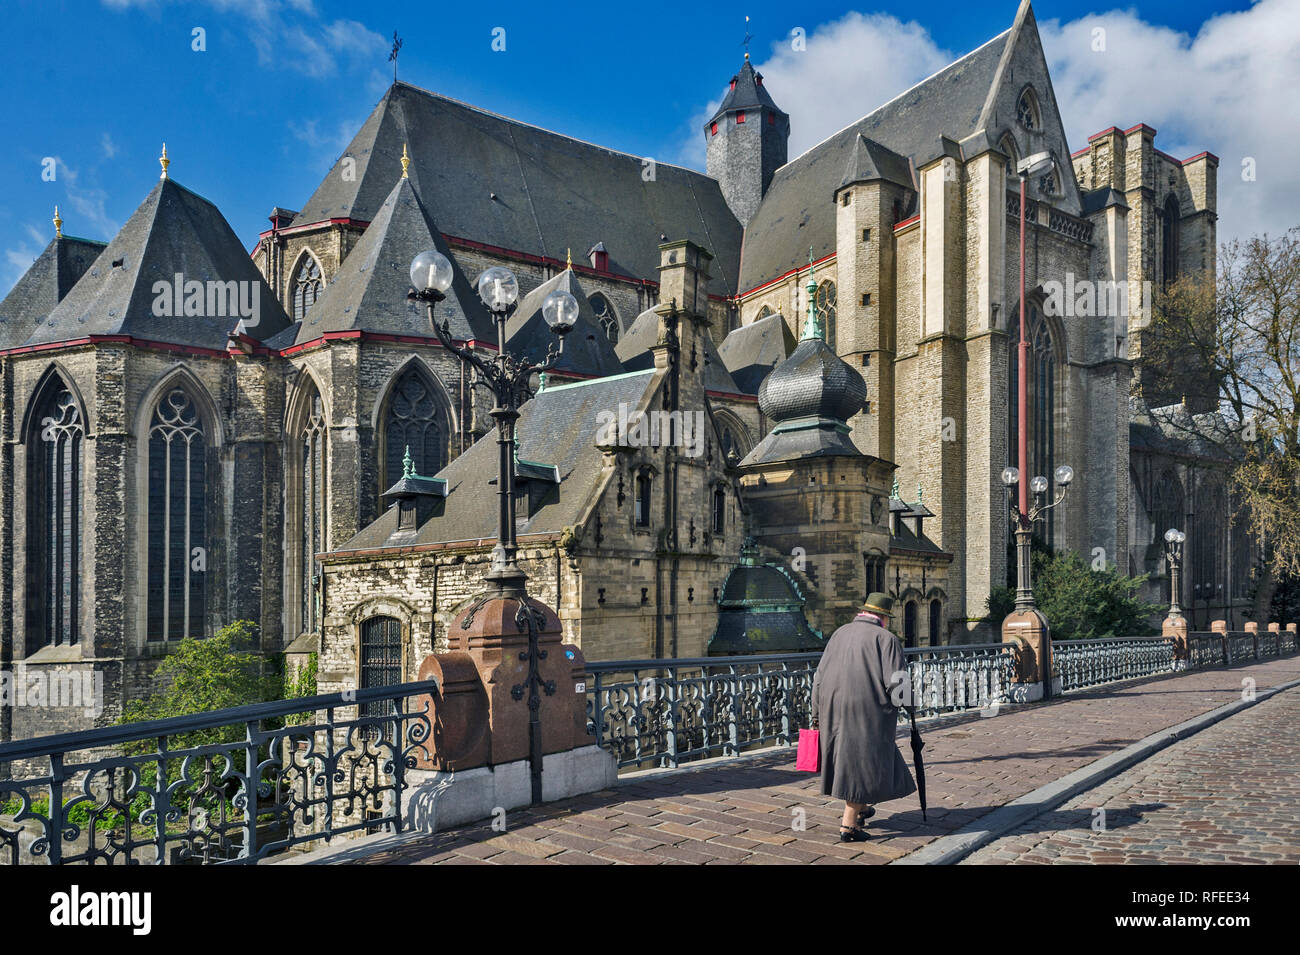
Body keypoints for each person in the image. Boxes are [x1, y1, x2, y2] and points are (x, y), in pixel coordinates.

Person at [810, 592, 917, 842]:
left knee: (857, 760)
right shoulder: (887, 639)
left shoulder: (840, 633)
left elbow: (819, 676)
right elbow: (897, 682)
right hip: (868, 712)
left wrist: (816, 713)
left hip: (833, 708)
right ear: (883, 617)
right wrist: (911, 708)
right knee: (862, 762)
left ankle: (862, 807)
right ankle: (849, 825)